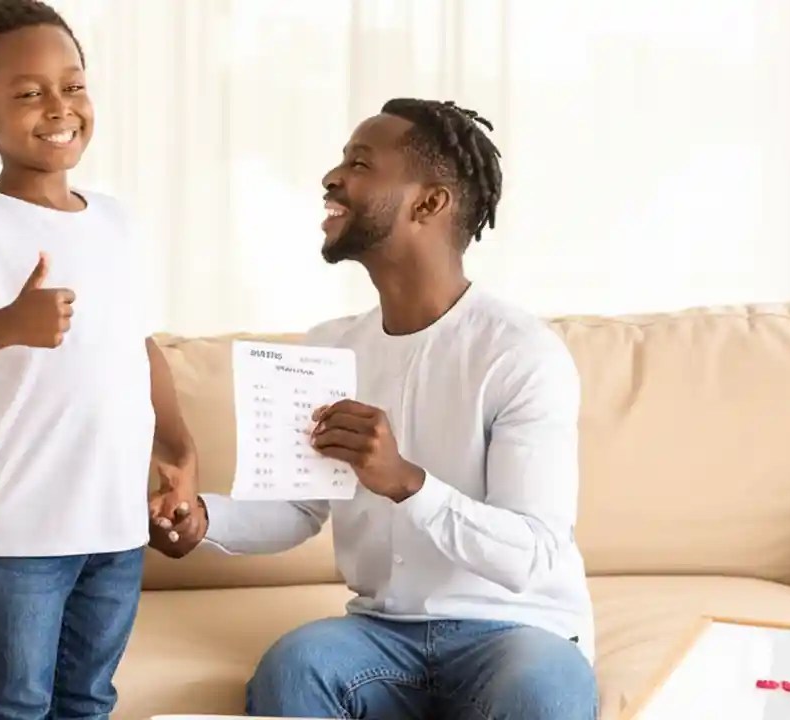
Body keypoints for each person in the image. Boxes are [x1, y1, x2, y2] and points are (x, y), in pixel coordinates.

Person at [149, 99, 597, 719]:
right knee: (297, 668)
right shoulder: (331, 346)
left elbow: (532, 554)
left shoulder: (519, 355)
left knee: (544, 694)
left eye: (360, 163)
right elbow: (301, 506)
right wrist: (201, 518)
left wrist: (407, 483)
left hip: (518, 633)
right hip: (382, 636)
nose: (332, 178)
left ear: (429, 202)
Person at [0, 2, 198, 718]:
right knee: (12, 706)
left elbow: (137, 345)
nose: (59, 107)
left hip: (116, 526)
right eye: (28, 93)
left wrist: (179, 448)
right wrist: (6, 325)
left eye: (73, 85)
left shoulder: (118, 222)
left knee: (88, 698)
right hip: (23, 533)